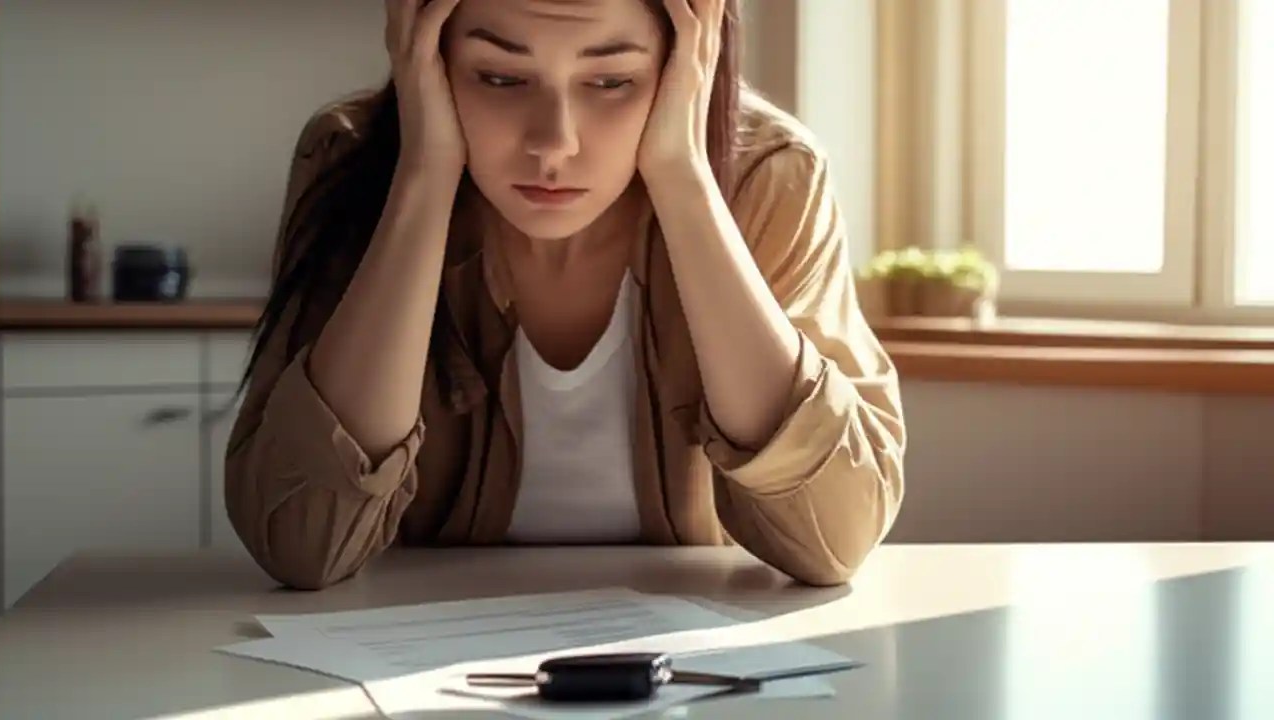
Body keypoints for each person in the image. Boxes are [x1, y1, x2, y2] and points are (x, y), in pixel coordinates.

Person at [224, 0, 906, 591]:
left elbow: (832, 541)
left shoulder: (771, 174)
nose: (554, 144)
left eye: (611, 81)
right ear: (424, 53)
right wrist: (424, 175)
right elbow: (303, 545)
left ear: (687, 58)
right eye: (500, 78)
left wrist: (683, 177)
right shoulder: (348, 162)